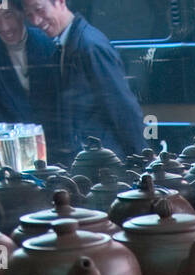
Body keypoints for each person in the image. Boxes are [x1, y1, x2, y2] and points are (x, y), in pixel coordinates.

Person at [21, 0, 144, 161]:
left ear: (60, 2)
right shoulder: (68, 43)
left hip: (103, 161)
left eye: (40, 10)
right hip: (90, 159)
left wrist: (142, 157)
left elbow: (122, 106)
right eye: (29, 15)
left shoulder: (89, 45)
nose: (36, 21)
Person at [0, 0, 58, 143]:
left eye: (8, 15)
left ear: (22, 11)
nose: (5, 27)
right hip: (8, 157)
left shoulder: (52, 46)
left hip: (61, 155)